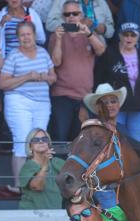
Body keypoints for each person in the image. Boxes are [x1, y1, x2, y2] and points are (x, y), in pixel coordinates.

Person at [0, 21, 56, 193]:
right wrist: (27, 77)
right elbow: (3, 83)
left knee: (40, 142)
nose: (25, 37)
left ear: (34, 35)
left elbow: (54, 77)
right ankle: (19, 186)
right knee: (22, 141)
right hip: (19, 102)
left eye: (28, 34)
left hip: (41, 103)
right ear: (18, 38)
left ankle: (38, 181)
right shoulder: (14, 56)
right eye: (22, 35)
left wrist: (44, 77)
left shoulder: (44, 53)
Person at [49, 0, 106, 143]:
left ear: (81, 15)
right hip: (62, 95)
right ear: (63, 17)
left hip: (84, 97)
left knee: (82, 141)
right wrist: (59, 40)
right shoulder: (56, 35)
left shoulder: (88, 34)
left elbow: (101, 51)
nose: (71, 17)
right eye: (67, 14)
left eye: (75, 13)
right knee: (61, 140)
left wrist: (89, 34)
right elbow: (56, 62)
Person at [94, 22, 140, 141]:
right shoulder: (110, 53)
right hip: (115, 106)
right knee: (115, 141)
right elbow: (99, 78)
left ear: (138, 37)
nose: (129, 38)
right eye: (126, 35)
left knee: (137, 143)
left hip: (137, 106)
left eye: (133, 35)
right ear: (120, 36)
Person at [82, 83, 126, 208]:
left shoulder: (124, 130)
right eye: (105, 103)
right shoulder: (91, 132)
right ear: (98, 108)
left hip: (124, 185)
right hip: (101, 186)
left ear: (118, 105)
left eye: (113, 101)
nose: (110, 105)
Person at [18, 128, 64, 209]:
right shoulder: (27, 166)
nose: (41, 141)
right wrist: (45, 165)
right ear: (30, 146)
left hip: (55, 215)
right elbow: (38, 186)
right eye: (35, 140)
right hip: (31, 215)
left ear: (49, 143)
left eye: (44, 139)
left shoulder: (57, 162)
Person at [46, 0, 114, 39]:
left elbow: (111, 30)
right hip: (72, 48)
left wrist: (104, 29)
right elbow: (49, 24)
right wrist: (74, 26)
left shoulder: (101, 2)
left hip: (99, 47)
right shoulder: (61, 1)